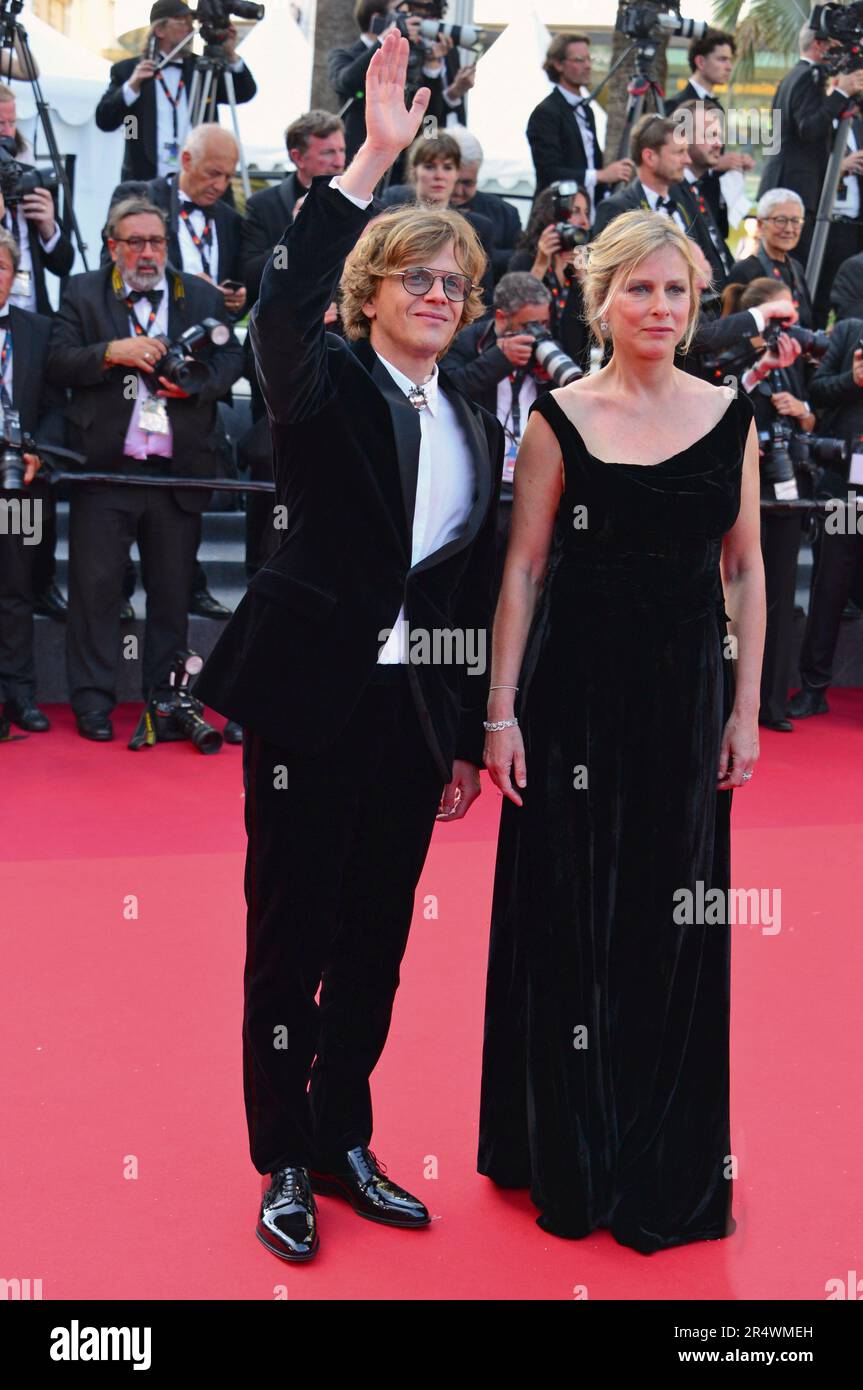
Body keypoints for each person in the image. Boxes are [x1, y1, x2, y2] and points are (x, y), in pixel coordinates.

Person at [193, 31, 503, 1263]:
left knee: (375, 936)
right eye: (415, 276)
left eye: (454, 283)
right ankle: (278, 1156)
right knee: (293, 932)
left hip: (407, 719)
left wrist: (470, 729)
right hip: (307, 702)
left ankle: (341, 1136)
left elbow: (463, 588)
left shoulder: (475, 417)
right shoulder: (315, 380)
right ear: (370, 289)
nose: (437, 294)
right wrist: (371, 156)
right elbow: (277, 301)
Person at [478, 208, 765, 1252]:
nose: (656, 308)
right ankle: (566, 1144)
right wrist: (499, 712)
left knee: (670, 918)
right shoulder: (556, 415)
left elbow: (743, 569)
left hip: (686, 696)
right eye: (637, 289)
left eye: (675, 291)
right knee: (571, 913)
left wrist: (743, 710)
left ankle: (662, 1151)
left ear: (695, 307)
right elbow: (522, 564)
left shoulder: (730, 414)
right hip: (572, 698)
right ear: (600, 300)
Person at [46, 197, 243, 742]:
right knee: (96, 591)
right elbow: (58, 359)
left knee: (172, 593)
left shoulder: (198, 293)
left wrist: (197, 384)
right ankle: (91, 701)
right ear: (113, 247)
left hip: (177, 471)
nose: (149, 252)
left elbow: (233, 359)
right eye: (136, 242)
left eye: (157, 241)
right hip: (106, 472)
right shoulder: (84, 293)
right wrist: (111, 351)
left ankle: (166, 695)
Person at [106, 124, 247, 629]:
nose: (220, 184)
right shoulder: (138, 198)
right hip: (128, 382)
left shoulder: (229, 218)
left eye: (228, 176)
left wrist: (234, 297)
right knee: (119, 509)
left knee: (180, 516)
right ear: (186, 159)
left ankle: (192, 587)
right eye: (212, 172)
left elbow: (245, 277)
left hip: (194, 378)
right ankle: (119, 592)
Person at [720, 279, 814, 730]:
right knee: (735, 596)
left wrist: (799, 409)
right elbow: (725, 398)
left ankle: (771, 704)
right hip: (742, 492)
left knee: (776, 594)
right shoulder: (734, 360)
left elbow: (811, 421)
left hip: (788, 492)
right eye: (784, 316)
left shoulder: (792, 361)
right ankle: (730, 698)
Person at [442, 272, 554, 583]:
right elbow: (449, 392)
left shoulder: (546, 347)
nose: (538, 334)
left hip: (534, 478)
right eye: (528, 326)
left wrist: (547, 377)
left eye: (543, 324)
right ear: (502, 318)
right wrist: (498, 359)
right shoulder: (465, 339)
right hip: (485, 480)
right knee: (486, 577)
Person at [0, 228, 65, 736]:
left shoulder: (38, 330)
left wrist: (36, 454)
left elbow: (55, 408)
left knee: (16, 589)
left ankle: (20, 694)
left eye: (0, 266)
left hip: (19, 484)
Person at [758, 19, 863, 322]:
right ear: (819, 45)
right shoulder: (807, 76)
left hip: (797, 190)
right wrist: (841, 93)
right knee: (801, 282)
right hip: (798, 193)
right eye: (836, 47)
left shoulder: (796, 76)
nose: (841, 56)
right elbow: (810, 127)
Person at [95, 0, 257, 187]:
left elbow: (244, 92)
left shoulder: (202, 69)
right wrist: (132, 86)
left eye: (191, 22)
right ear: (160, 30)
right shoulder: (129, 70)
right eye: (182, 22)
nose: (190, 28)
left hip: (197, 183)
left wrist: (231, 55)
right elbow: (104, 120)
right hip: (146, 181)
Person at [789, 315, 863, 719]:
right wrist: (853, 381)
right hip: (845, 491)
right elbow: (816, 392)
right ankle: (813, 689)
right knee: (830, 587)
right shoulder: (851, 332)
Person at [593, 114, 732, 301]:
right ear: (649, 157)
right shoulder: (616, 209)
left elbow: (709, 259)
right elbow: (605, 281)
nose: (687, 160)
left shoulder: (686, 199)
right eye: (679, 152)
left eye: (686, 151)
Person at [329, 1, 475, 174]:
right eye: (404, 14)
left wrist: (432, 68)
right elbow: (347, 83)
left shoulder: (413, 56)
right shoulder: (342, 55)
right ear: (378, 19)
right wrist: (387, 40)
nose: (414, 19)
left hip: (405, 166)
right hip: (361, 160)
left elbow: (430, 116)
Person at [240, 112, 347, 315]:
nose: (339, 161)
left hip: (343, 332)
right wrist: (295, 235)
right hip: (281, 327)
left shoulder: (363, 206)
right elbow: (251, 279)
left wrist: (341, 309)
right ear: (298, 157)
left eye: (342, 150)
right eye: (328, 152)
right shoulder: (263, 206)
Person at [380, 131, 496, 303]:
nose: (439, 176)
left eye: (448, 167)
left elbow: (481, 296)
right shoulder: (391, 219)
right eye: (429, 166)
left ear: (457, 173)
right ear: (414, 170)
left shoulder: (478, 228)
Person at [526, 33, 634, 209]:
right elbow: (549, 172)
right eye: (579, 60)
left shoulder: (586, 109)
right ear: (559, 64)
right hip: (559, 213)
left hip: (587, 210)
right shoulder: (545, 112)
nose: (588, 66)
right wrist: (601, 175)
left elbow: (590, 160)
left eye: (589, 59)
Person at [508, 183, 590, 344]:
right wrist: (540, 266)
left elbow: (601, 327)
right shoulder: (525, 260)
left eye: (586, 213)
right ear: (552, 216)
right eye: (575, 212)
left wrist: (583, 277)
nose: (585, 222)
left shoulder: (583, 265)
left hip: (573, 366)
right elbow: (511, 316)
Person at [727, 188, 814, 328]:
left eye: (796, 221)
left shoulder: (796, 268)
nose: (789, 229)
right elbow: (733, 326)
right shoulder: (745, 270)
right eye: (780, 220)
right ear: (761, 225)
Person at [448, 126, 523, 283]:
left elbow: (519, 260)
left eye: (468, 183)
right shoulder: (418, 208)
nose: (458, 191)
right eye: (452, 182)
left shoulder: (506, 213)